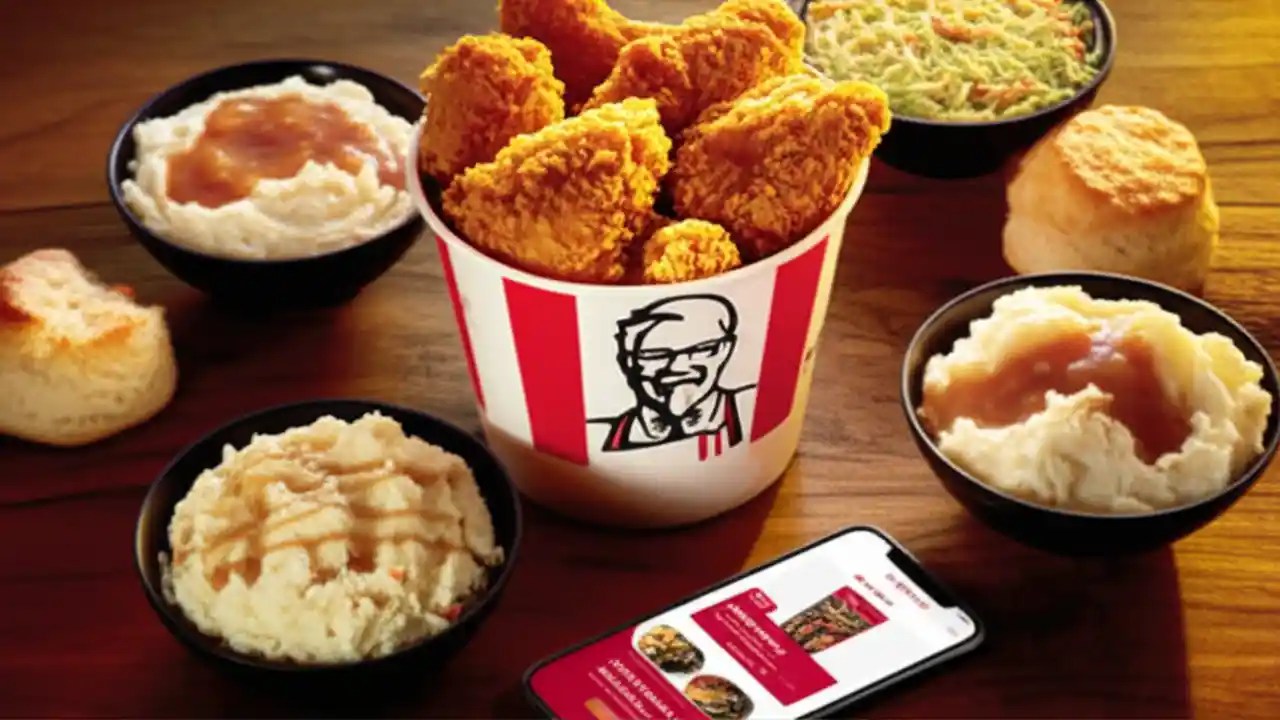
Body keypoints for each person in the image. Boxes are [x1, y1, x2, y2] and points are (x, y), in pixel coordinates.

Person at [591, 294, 754, 452]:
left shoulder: (755, 405)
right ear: (627, 361)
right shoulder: (594, 434)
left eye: (700, 350)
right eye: (656, 354)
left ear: (725, 350)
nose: (678, 367)